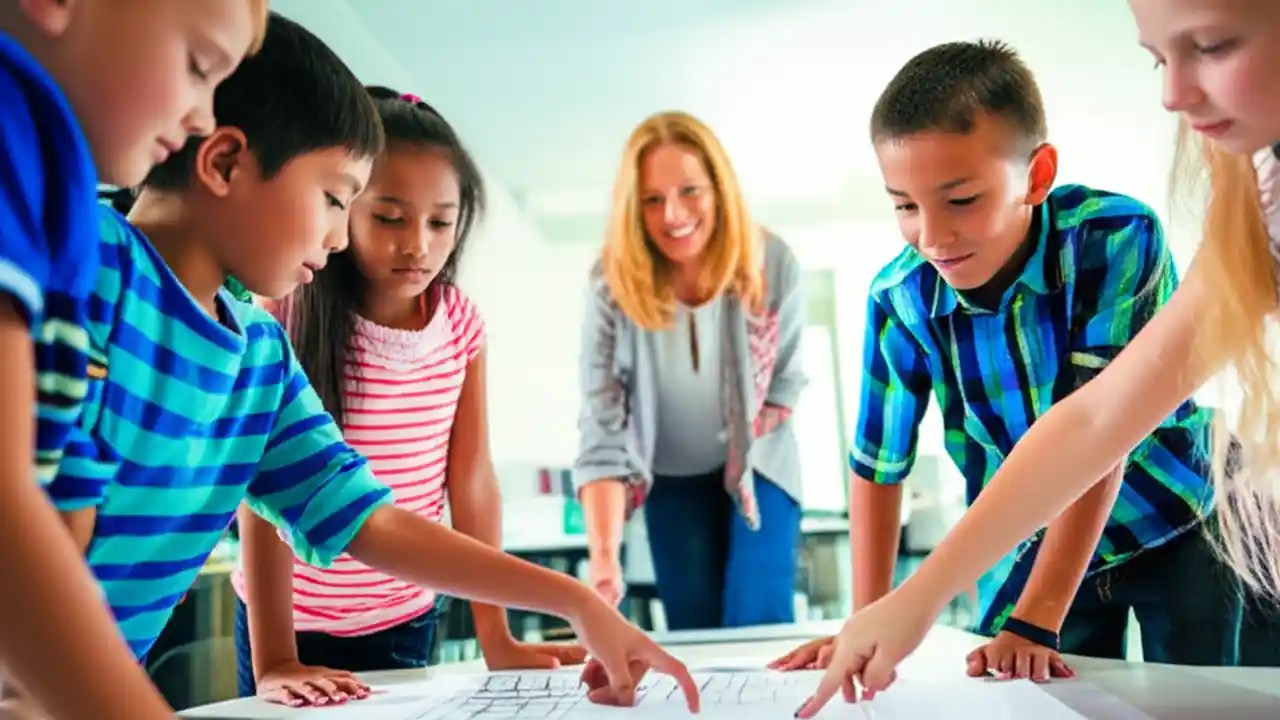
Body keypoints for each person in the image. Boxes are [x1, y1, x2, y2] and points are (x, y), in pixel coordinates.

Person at [52, 14, 698, 713]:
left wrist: (575, 600)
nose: (338, 236)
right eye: (336, 199)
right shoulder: (80, 259)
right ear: (227, 163)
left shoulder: (258, 364)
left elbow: (368, 518)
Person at [793, 2, 1280, 715]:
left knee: (1211, 688)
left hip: (1177, 512)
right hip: (1035, 524)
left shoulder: (1114, 237)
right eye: (1155, 58)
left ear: (1037, 175)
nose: (931, 236)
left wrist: (1030, 609)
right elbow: (886, 463)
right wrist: (875, 615)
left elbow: (1106, 437)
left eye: (1209, 45)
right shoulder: (900, 296)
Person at [233, 88, 587, 708]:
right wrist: (276, 659)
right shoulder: (286, 310)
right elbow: (262, 495)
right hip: (288, 624)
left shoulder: (460, 326)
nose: (418, 243)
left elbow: (471, 482)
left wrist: (495, 636)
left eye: (441, 221)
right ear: (344, 211)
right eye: (390, 217)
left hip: (404, 616)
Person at [0, 1, 265, 718]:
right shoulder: (11, 124)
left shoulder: (61, 191)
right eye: (197, 66)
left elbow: (55, 461)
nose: (204, 116)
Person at [575, 110, 807, 631]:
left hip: (760, 469)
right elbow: (602, 429)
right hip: (672, 482)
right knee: (696, 632)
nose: (673, 215)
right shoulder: (611, 285)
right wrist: (605, 558)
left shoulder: (772, 262)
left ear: (719, 188)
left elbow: (787, 382)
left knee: (757, 621)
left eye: (689, 191)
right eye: (652, 200)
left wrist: (746, 440)